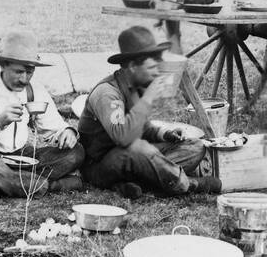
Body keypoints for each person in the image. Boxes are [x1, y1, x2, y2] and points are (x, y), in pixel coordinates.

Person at [77, 26, 219, 200]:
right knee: (139, 148)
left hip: (132, 159)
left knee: (195, 146)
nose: (156, 71)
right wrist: (148, 97)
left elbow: (142, 128)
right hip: (100, 166)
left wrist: (165, 134)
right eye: (151, 66)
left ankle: (138, 185)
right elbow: (123, 136)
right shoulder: (107, 93)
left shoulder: (134, 88)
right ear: (132, 66)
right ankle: (188, 184)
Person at [0, 30, 85, 199]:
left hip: (22, 159)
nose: (25, 79)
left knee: (75, 153)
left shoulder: (35, 90)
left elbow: (54, 126)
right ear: (3, 65)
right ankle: (51, 186)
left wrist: (67, 132)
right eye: (18, 72)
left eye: (30, 72)